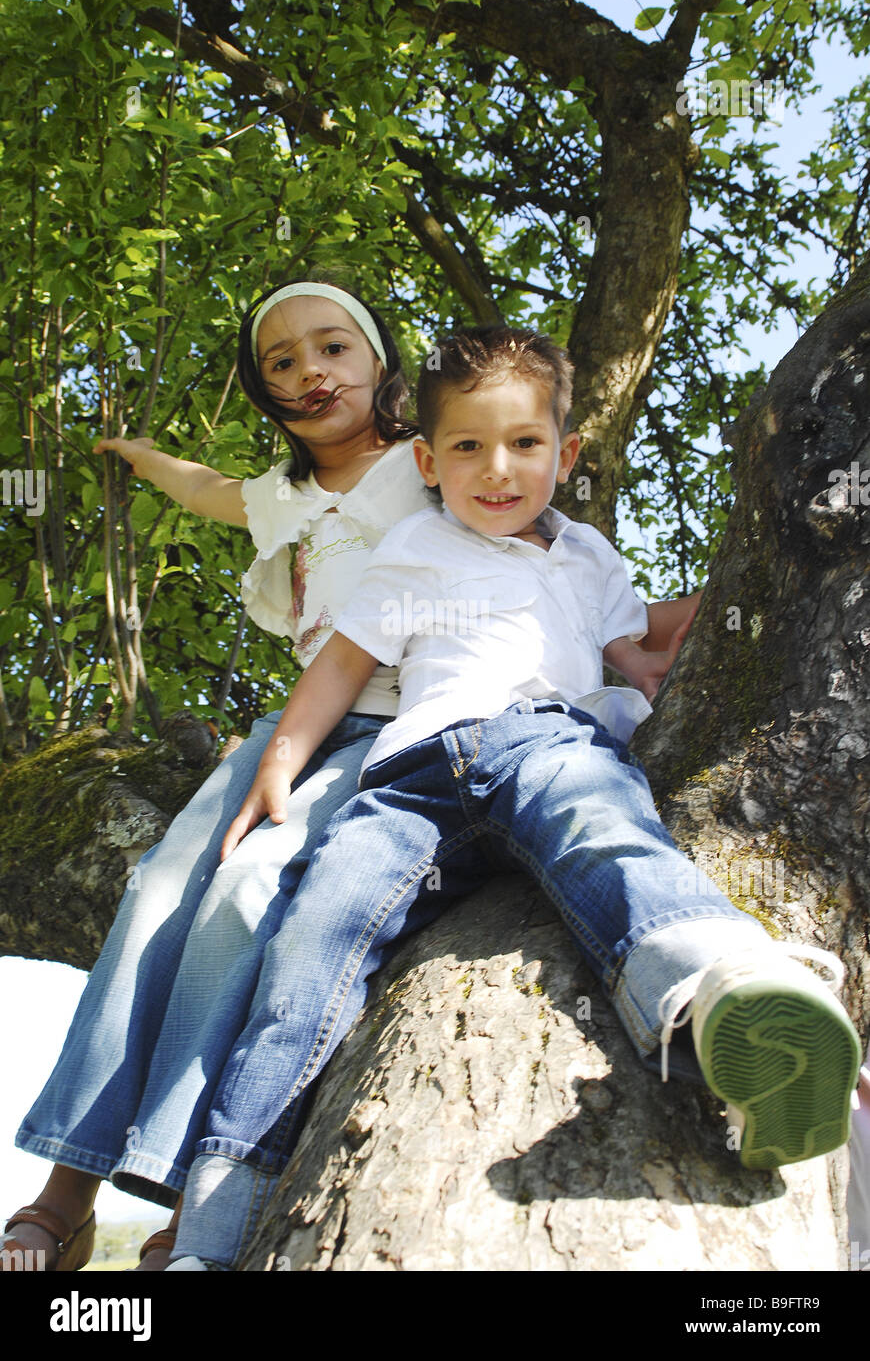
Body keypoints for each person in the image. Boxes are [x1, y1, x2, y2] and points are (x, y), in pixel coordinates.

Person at [1, 283, 699, 1273]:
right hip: (297, 720)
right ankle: (66, 1187)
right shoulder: (276, 498)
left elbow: (565, 583)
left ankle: (179, 1203)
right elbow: (199, 483)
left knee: (251, 903)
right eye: (280, 362)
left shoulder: (436, 470)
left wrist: (680, 620)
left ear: (384, 367)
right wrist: (127, 452)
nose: (309, 370)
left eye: (333, 346)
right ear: (263, 390)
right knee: (160, 886)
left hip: (397, 726)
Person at [161, 326, 861, 1270]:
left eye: (525, 444)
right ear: (427, 459)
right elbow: (344, 661)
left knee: (605, 834)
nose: (497, 469)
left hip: (545, 741)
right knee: (310, 948)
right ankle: (214, 1225)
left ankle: (724, 991)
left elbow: (638, 658)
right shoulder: (414, 543)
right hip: (410, 779)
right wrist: (280, 759)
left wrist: (734, 603)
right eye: (467, 447)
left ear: (565, 454)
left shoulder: (590, 558)